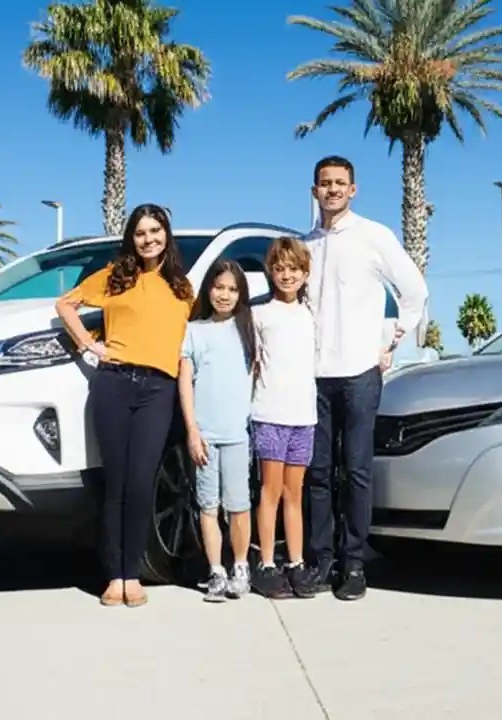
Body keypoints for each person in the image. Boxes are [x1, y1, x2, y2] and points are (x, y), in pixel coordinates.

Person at [302, 155, 429, 601]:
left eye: (340, 183)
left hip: (359, 374)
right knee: (318, 473)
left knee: (355, 470)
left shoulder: (374, 236)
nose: (332, 189)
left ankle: (353, 564)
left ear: (352, 190)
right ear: (314, 190)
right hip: (313, 378)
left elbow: (414, 291)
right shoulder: (306, 245)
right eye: (324, 183)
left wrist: (392, 340)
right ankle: (321, 561)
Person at [55, 203, 193, 608]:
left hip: (159, 390)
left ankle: (133, 574)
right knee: (114, 483)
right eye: (140, 232)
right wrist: (90, 344)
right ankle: (114, 576)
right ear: (131, 239)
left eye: (155, 230)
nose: (149, 239)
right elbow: (65, 305)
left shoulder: (183, 289)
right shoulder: (116, 277)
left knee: (140, 482)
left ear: (167, 233)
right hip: (114, 384)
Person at [179, 258, 258, 603]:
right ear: (208, 288)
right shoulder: (194, 330)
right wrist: (192, 430)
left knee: (238, 506)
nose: (224, 295)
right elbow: (185, 382)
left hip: (239, 435)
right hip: (206, 437)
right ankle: (216, 570)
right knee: (208, 507)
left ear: (240, 293)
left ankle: (241, 567)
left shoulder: (249, 329)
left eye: (232, 289)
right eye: (218, 287)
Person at [249, 236, 318, 599]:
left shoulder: (310, 315)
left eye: (293, 269)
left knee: (295, 493)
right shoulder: (260, 314)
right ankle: (267, 563)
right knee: (270, 491)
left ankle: (295, 562)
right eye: (279, 269)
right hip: (270, 414)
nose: (286, 275)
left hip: (303, 417)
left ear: (305, 274)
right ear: (270, 272)